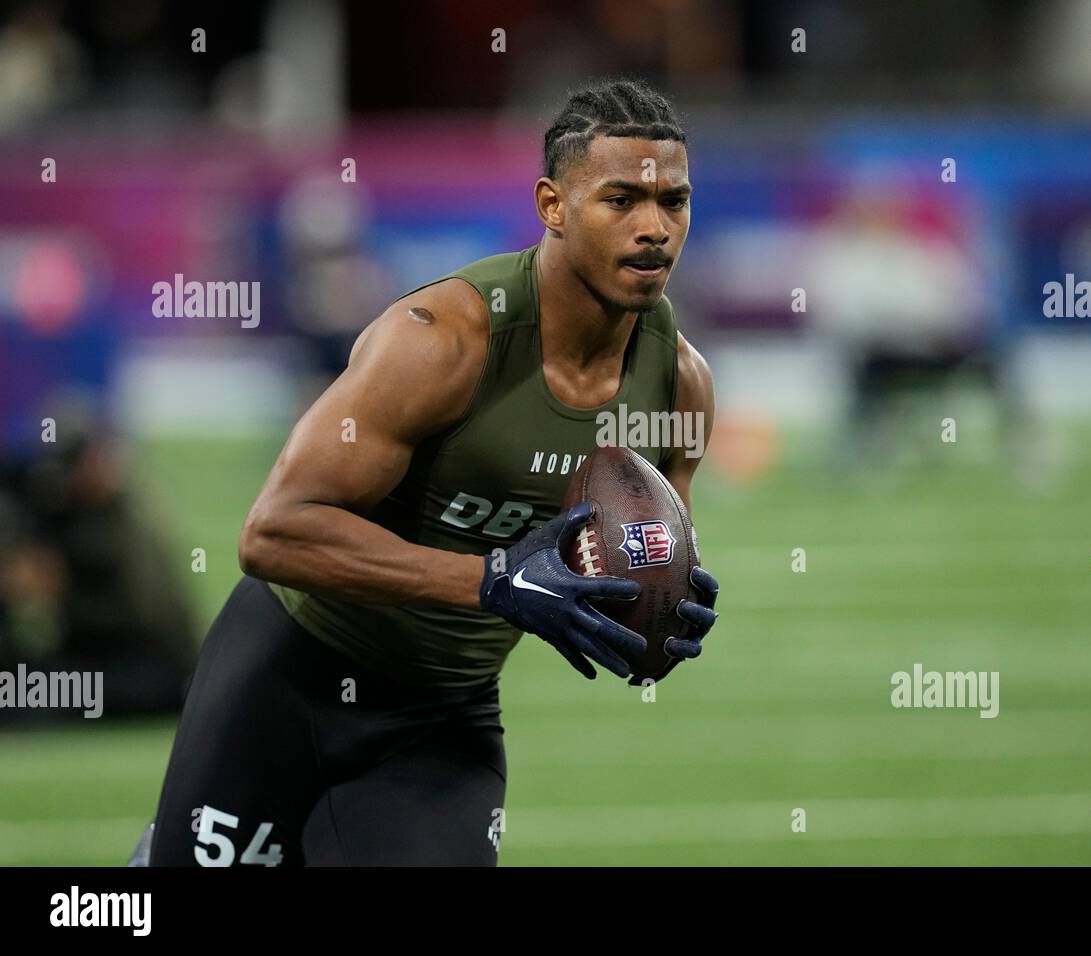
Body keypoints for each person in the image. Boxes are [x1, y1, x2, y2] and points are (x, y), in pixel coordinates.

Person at [140, 77, 719, 866]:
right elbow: (273, 532)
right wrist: (492, 581)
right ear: (552, 205)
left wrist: (661, 611)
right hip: (291, 677)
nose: (655, 228)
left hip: (444, 712)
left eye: (674, 202)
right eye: (622, 200)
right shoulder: (441, 341)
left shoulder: (680, 384)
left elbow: (648, 557)